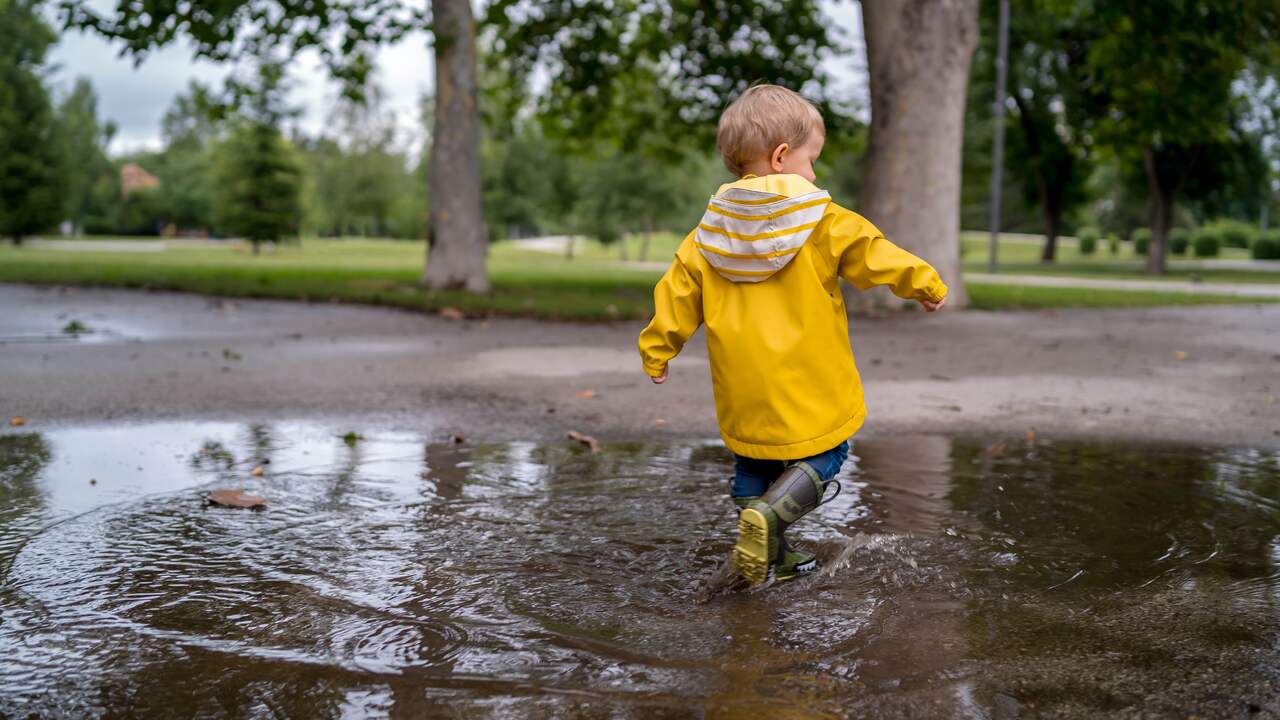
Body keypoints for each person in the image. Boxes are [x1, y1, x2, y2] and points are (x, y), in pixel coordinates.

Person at [637, 84, 948, 584]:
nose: (814, 173)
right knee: (826, 452)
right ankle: (769, 520)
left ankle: (772, 557)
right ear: (781, 157)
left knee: (753, 460)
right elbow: (872, 252)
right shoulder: (822, 220)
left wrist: (658, 350)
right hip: (808, 379)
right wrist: (924, 282)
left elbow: (675, 293)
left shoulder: (706, 235)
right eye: (811, 160)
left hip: (742, 385)